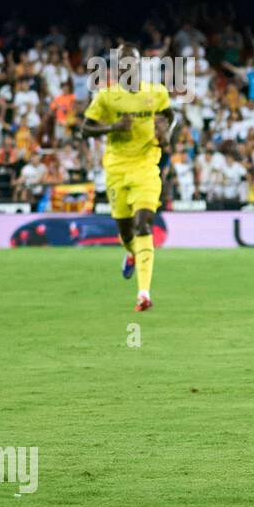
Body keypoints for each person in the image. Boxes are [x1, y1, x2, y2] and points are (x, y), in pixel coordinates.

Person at [79, 44, 174, 311]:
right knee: (125, 231)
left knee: (144, 225)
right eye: (122, 65)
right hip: (117, 168)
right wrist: (113, 127)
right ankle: (132, 255)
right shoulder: (107, 96)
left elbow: (170, 116)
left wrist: (165, 134)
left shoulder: (155, 92)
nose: (127, 68)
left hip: (146, 166)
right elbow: (85, 130)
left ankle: (144, 293)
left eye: (131, 64)